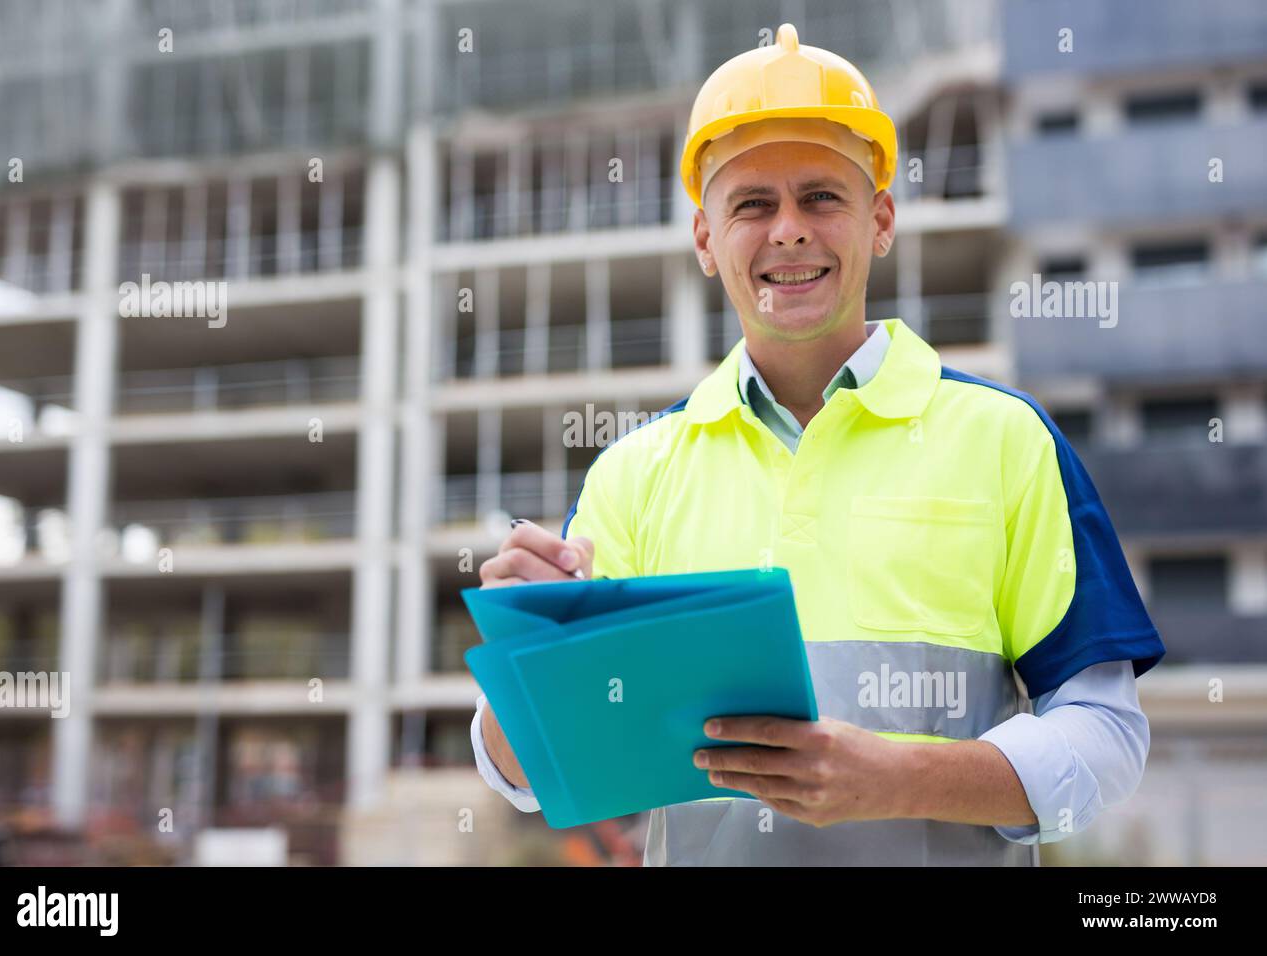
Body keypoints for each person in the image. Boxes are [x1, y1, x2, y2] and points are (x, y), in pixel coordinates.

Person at [470, 23, 1164, 865]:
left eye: (821, 197)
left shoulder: (1007, 440)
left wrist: (898, 779)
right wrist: (527, 663)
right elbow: (533, 772)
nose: (788, 230)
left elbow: (1107, 738)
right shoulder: (633, 473)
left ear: (879, 222)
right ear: (705, 239)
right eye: (752, 204)